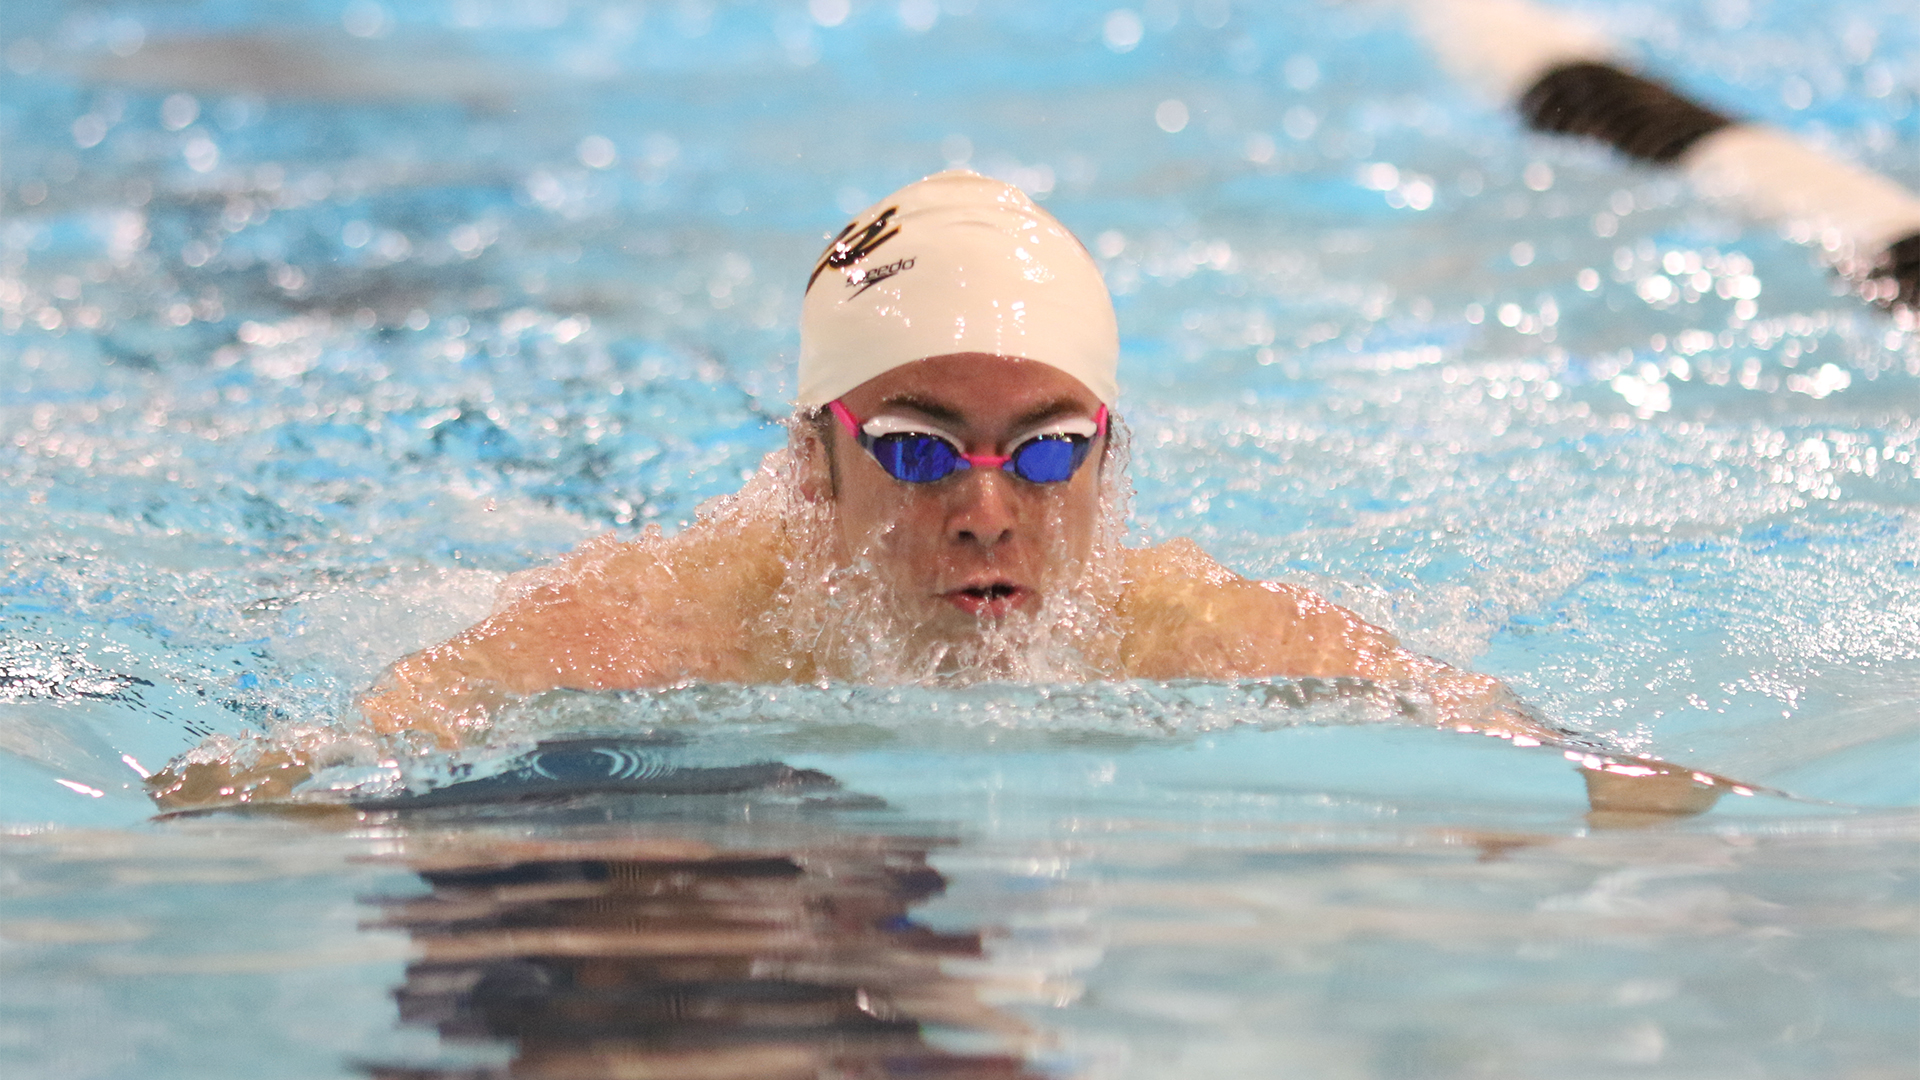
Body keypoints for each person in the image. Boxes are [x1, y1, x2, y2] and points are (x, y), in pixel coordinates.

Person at [150, 170, 1724, 820]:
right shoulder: (651, 628)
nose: (987, 508)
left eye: (1046, 450)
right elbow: (311, 774)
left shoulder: (1182, 629)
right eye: (916, 448)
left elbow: (1545, 755)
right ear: (810, 466)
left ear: (1111, 460)